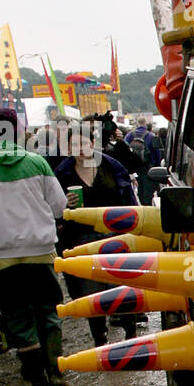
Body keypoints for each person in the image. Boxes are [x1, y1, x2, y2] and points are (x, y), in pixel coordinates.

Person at [0, 107, 74, 386]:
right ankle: (57, 375)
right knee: (48, 314)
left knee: (20, 324)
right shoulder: (36, 162)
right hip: (40, 253)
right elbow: (59, 206)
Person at [56, 128, 140, 348]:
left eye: (84, 143)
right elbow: (53, 208)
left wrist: (134, 229)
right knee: (90, 291)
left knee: (120, 285)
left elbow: (129, 200)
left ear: (93, 143)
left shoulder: (111, 166)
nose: (80, 149)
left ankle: (131, 333)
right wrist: (64, 204)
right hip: (81, 240)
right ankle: (100, 339)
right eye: (74, 145)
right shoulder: (62, 173)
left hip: (114, 236)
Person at [123, 116, 164, 205]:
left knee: (139, 190)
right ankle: (147, 206)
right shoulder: (151, 136)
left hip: (135, 168)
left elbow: (123, 150)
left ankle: (141, 205)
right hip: (148, 168)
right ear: (146, 124)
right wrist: (157, 166)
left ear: (137, 124)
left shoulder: (130, 135)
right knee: (148, 191)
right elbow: (157, 154)